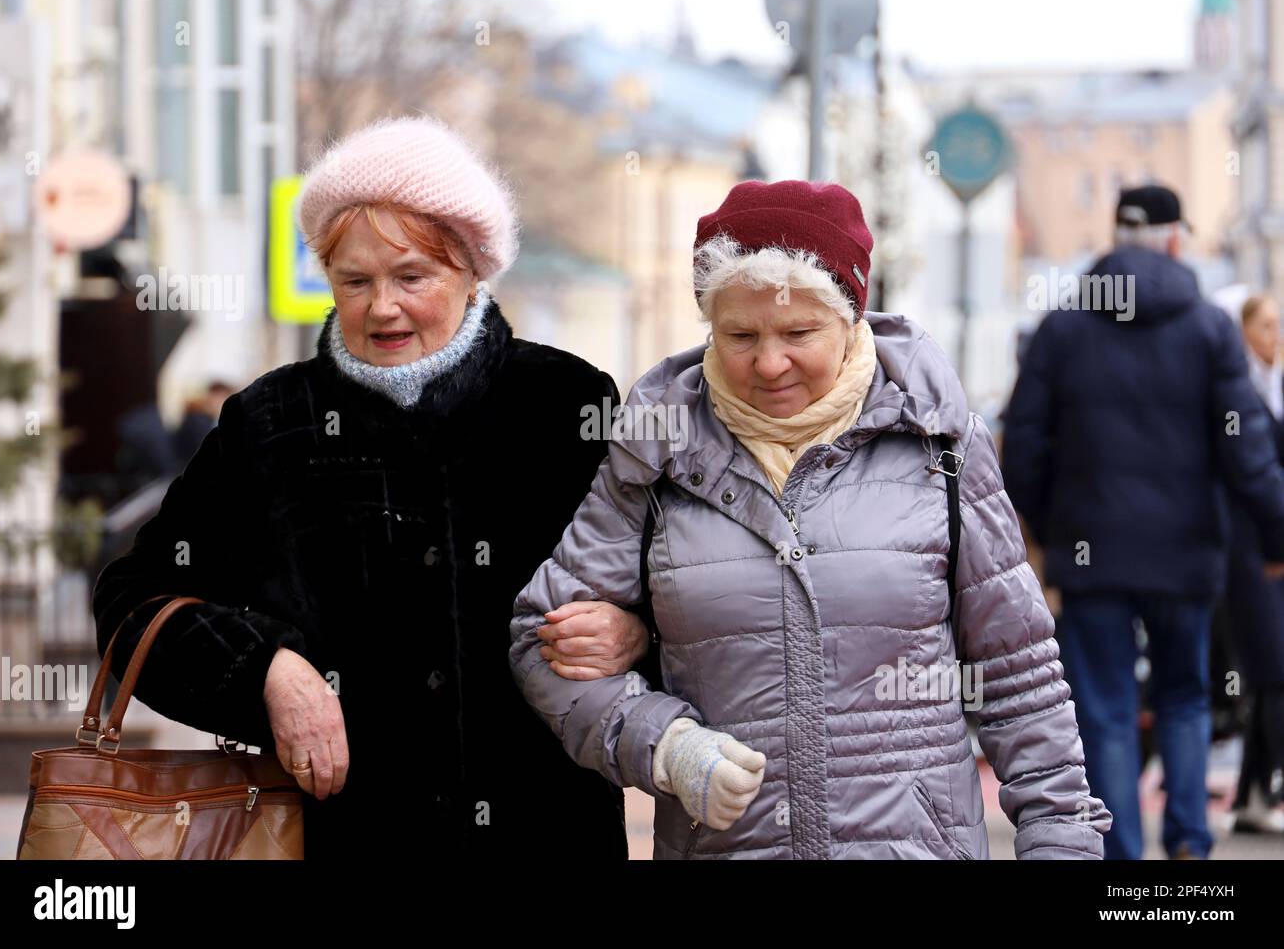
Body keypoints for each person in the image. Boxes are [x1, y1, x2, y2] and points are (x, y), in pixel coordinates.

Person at [92, 116, 651, 860]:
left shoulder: (564, 404)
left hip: (543, 835)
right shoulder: (268, 425)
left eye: (412, 277)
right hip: (337, 841)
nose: (382, 307)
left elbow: (687, 581)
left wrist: (637, 634)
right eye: (355, 281)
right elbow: (133, 600)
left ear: (471, 271)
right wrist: (265, 669)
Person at [509, 179, 1111, 859]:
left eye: (799, 332)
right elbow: (542, 644)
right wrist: (666, 744)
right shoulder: (654, 451)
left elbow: (1016, 668)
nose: (769, 363)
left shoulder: (939, 445)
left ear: (851, 317)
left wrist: (1061, 838)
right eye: (740, 335)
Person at [1002, 184, 1284, 859]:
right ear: (1176, 240)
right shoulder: (1210, 329)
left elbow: (1024, 448)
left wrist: (1047, 532)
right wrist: (1276, 535)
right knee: (1186, 696)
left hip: (1090, 553)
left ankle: (1123, 854)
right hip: (1187, 553)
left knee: (1104, 708)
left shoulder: (1063, 329)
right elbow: (1246, 449)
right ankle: (1188, 839)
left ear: (1114, 236)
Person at [1226, 294, 1284, 833]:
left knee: (1269, 675)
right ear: (1244, 332)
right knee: (1273, 669)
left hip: (1269, 549)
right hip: (1253, 552)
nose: (1275, 334)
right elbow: (1254, 477)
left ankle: (1251, 794)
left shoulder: (1272, 385)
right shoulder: (1241, 394)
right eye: (1265, 325)